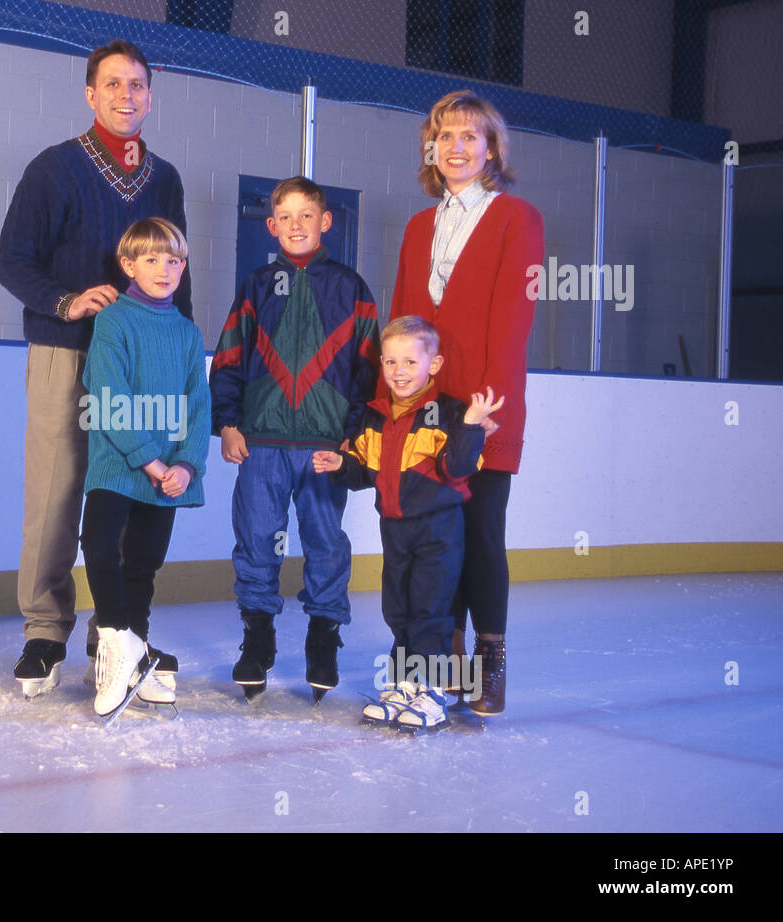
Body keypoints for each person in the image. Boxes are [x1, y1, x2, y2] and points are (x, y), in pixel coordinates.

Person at [0, 40, 191, 698]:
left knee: (129, 491)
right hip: (66, 350)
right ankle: (45, 630)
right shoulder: (53, 169)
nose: (125, 95)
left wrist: (184, 349)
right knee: (55, 491)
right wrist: (66, 300)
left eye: (137, 84)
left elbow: (177, 276)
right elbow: (12, 260)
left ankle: (120, 630)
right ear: (90, 93)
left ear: (149, 96)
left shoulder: (164, 178)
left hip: (141, 364)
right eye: (112, 84)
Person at [389, 90, 544, 715]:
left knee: (480, 533)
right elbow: (403, 318)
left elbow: (514, 318)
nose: (456, 147)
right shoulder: (417, 225)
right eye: (445, 136)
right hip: (425, 406)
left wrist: (486, 411)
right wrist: (398, 403)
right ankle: (434, 663)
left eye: (470, 137)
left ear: (491, 149)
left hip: (481, 405)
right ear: (432, 147)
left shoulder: (518, 218)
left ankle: (490, 662)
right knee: (432, 536)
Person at [210, 176, 379, 702]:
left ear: (326, 222)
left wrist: (354, 440)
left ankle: (322, 637)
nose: (298, 225)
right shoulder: (256, 286)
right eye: (287, 216)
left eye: (308, 215)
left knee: (326, 543)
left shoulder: (351, 288)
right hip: (261, 442)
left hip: (326, 447)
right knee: (257, 537)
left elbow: (369, 373)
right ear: (272, 225)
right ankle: (257, 637)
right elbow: (229, 359)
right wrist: (229, 421)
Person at [313, 316, 502, 729]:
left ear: (432, 365)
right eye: (391, 363)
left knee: (429, 612)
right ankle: (405, 686)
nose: (399, 372)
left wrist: (470, 426)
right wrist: (339, 463)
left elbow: (458, 468)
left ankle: (434, 691)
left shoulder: (449, 412)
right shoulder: (376, 416)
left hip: (438, 531)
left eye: (410, 363)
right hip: (395, 531)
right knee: (398, 609)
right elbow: (366, 470)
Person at [80, 218, 208, 717]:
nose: (164, 269)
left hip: (168, 472)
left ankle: (138, 655)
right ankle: (119, 643)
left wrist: (186, 465)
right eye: (151, 259)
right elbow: (109, 395)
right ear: (128, 265)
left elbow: (198, 403)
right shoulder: (115, 321)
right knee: (99, 544)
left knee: (144, 562)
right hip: (120, 461)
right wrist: (149, 460)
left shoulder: (186, 332)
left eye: (173, 260)